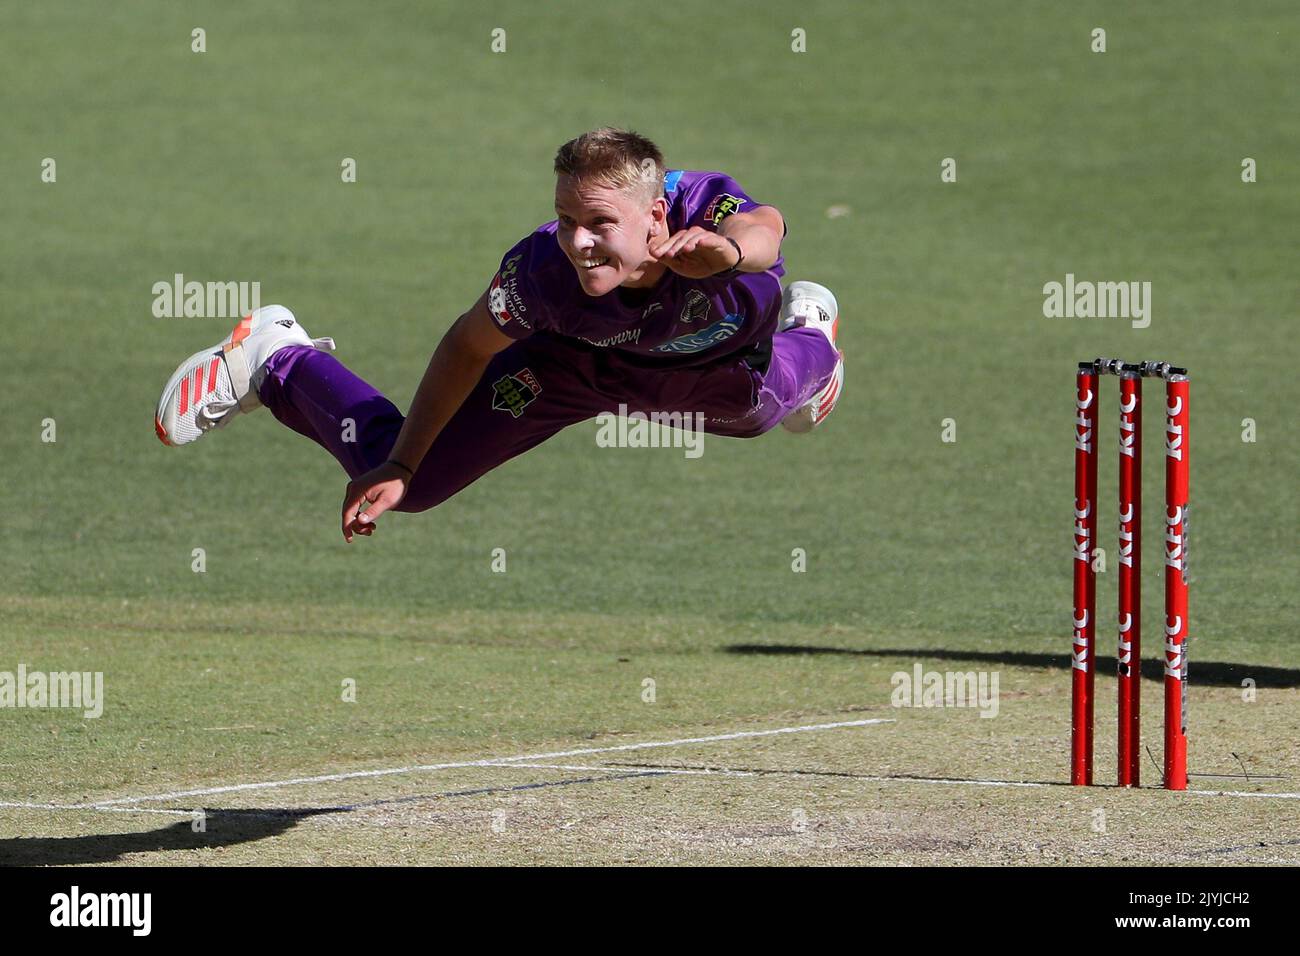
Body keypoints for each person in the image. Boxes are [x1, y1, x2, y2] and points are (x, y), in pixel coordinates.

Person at [154, 127, 844, 542]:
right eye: (566, 216)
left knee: (762, 412)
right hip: (570, 368)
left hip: (709, 371)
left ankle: (811, 326)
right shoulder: (542, 272)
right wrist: (399, 463)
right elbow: (467, 345)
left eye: (599, 222)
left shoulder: (706, 218)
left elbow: (765, 228)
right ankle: (276, 359)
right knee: (411, 484)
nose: (578, 240)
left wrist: (727, 254)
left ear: (656, 214)